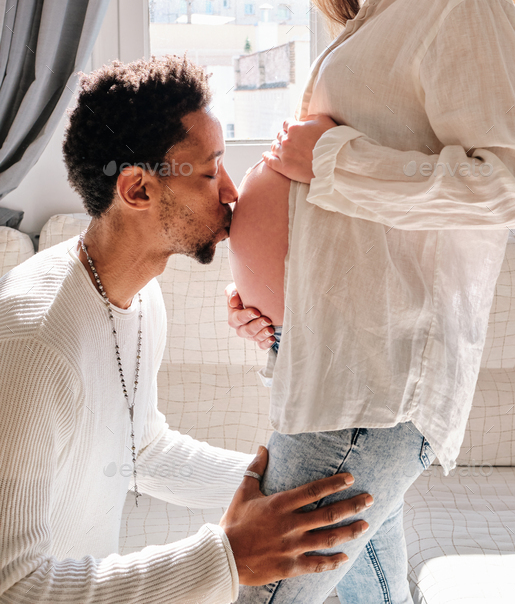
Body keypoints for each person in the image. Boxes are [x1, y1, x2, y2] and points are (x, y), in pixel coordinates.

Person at [226, 0, 515, 603]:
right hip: (332, 364)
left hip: (372, 385)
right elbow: (352, 224)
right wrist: (280, 305)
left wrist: (331, 159)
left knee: (265, 590)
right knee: (371, 594)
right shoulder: (386, 5)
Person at [0, 55, 375, 604]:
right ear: (136, 190)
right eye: (208, 171)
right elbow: (14, 586)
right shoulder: (33, 349)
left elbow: (142, 451)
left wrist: (288, 491)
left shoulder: (141, 297)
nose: (230, 191)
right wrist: (226, 558)